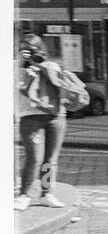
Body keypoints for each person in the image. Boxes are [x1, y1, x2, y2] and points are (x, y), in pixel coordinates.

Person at [15, 35, 88, 210]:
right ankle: (24, 195)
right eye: (25, 49)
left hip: (56, 116)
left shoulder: (51, 66)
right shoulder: (16, 66)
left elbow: (63, 88)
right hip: (30, 117)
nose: (30, 53)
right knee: (34, 158)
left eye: (33, 49)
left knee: (50, 160)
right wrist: (23, 66)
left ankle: (46, 194)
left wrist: (43, 66)